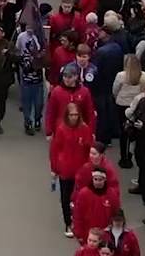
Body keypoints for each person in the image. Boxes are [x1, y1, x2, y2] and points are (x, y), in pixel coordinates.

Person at [50, 100, 94, 236]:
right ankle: (68, 223)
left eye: (76, 114)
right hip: (65, 171)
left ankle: (80, 222)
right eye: (71, 115)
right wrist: (54, 169)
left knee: (81, 198)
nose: (74, 117)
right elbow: (55, 150)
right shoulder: (62, 129)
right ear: (67, 116)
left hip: (81, 171)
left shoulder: (85, 129)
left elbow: (89, 148)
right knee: (65, 198)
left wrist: (90, 167)